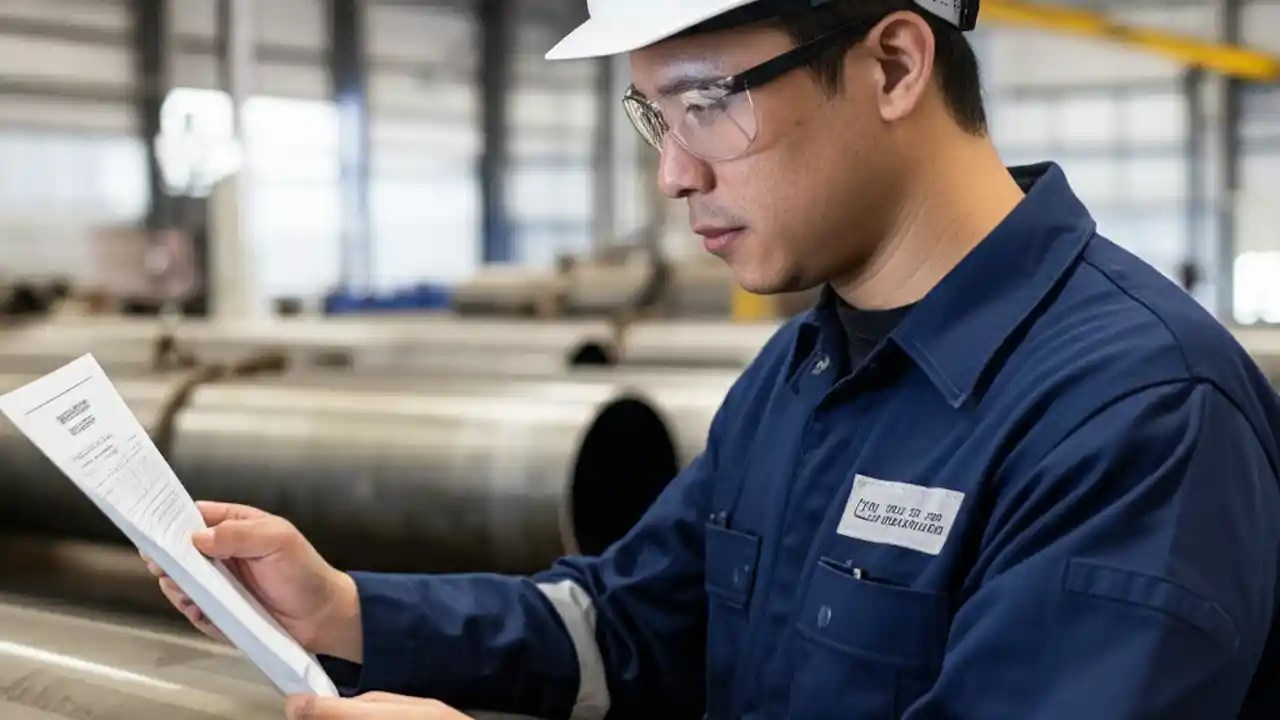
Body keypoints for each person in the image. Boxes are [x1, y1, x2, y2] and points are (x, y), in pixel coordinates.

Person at [150, 0, 1280, 717]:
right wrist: (346, 611)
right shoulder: (802, 373)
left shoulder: (1132, 414)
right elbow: (631, 628)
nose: (672, 175)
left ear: (891, 63)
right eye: (654, 117)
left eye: (704, 103)